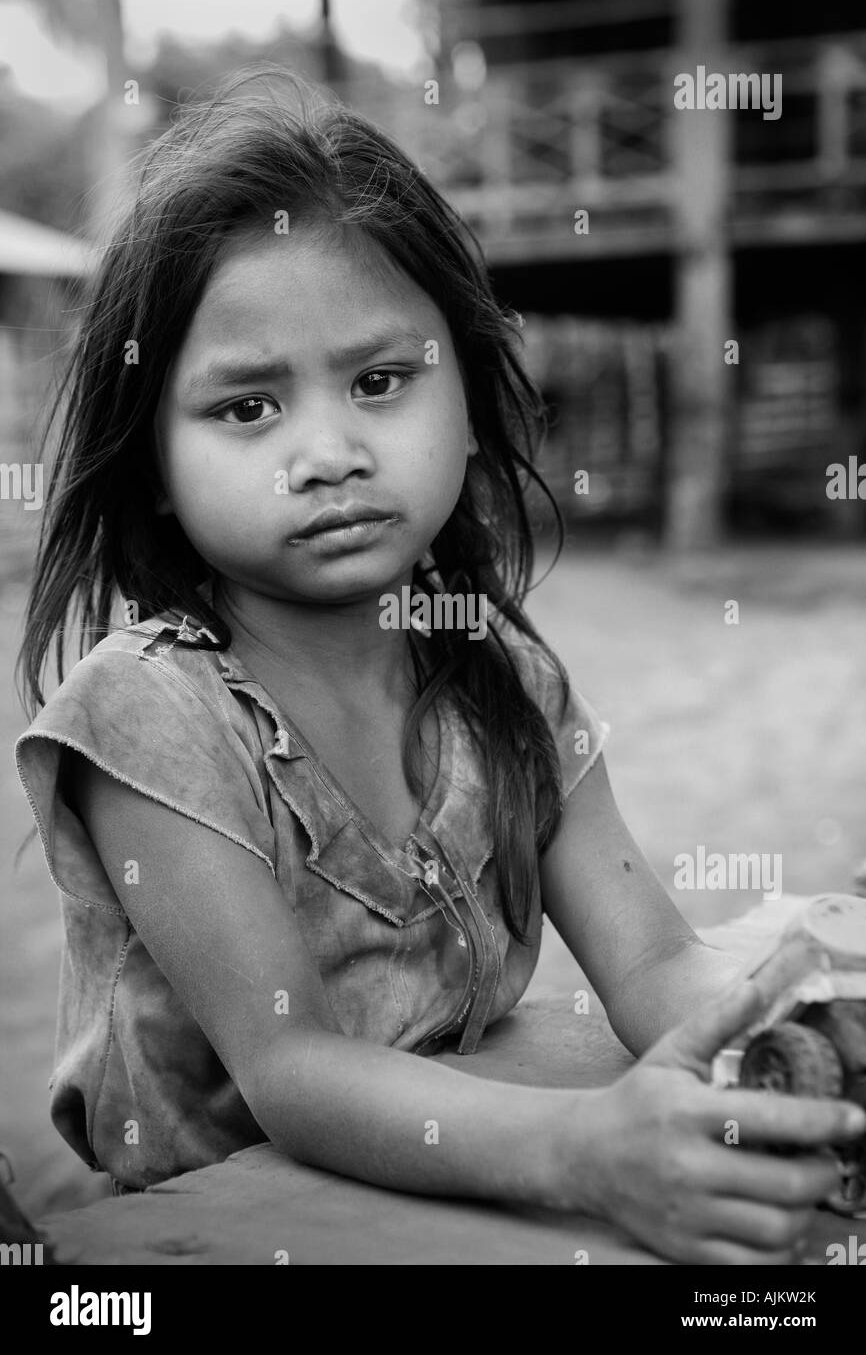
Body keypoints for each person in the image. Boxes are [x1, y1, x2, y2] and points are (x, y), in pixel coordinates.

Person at [14, 66, 863, 1264]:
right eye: (247, 407)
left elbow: (656, 961)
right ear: (153, 458)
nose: (326, 453)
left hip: (467, 1210)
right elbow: (291, 1067)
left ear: (465, 398)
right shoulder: (148, 712)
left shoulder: (498, 671)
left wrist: (801, 1032)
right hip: (221, 1234)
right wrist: (585, 1154)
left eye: (379, 382)